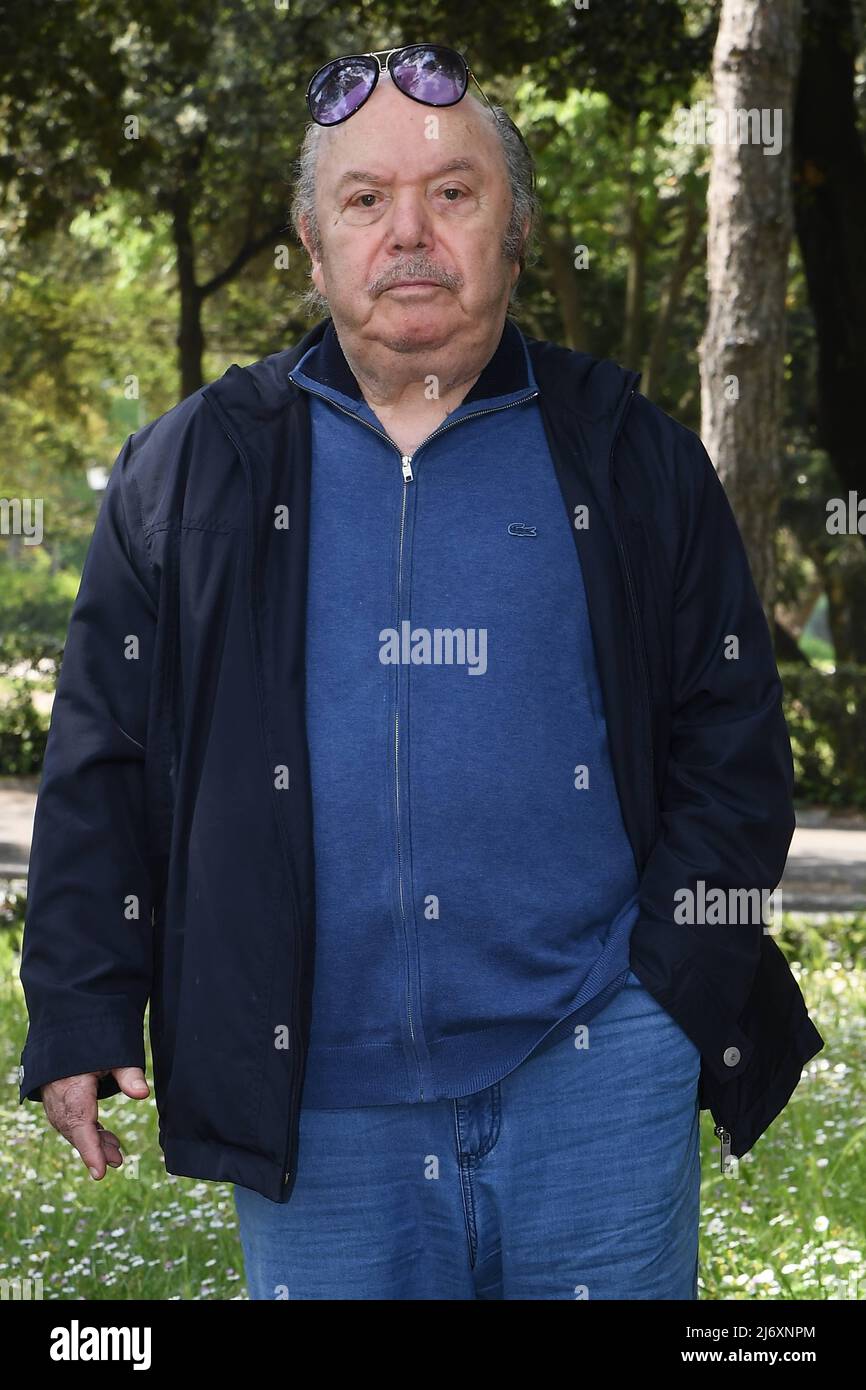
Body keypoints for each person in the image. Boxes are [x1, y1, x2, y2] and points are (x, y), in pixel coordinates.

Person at [18, 43, 824, 1301]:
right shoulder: (192, 471)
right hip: (319, 1104)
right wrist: (77, 1005)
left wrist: (667, 1003)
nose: (409, 231)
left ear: (509, 233)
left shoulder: (627, 454)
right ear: (310, 239)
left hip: (596, 1075)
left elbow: (733, 743)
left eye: (452, 194)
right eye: (365, 198)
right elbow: (101, 759)